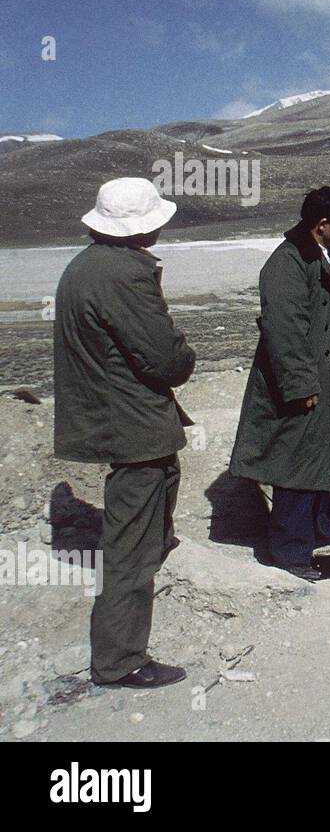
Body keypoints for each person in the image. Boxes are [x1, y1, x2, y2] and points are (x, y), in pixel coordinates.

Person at [54, 177, 196, 689]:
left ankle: (154, 551)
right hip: (131, 423)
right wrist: (184, 353)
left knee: (162, 486)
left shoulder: (86, 265)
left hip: (116, 415)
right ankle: (119, 660)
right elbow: (165, 359)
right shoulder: (124, 275)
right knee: (128, 549)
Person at [229, 187, 330, 581]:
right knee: (297, 464)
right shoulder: (286, 264)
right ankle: (289, 550)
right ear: (321, 225)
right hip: (306, 379)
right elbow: (284, 330)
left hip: (329, 374)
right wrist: (301, 385)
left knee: (321, 455)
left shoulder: (325, 255)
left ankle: (318, 529)